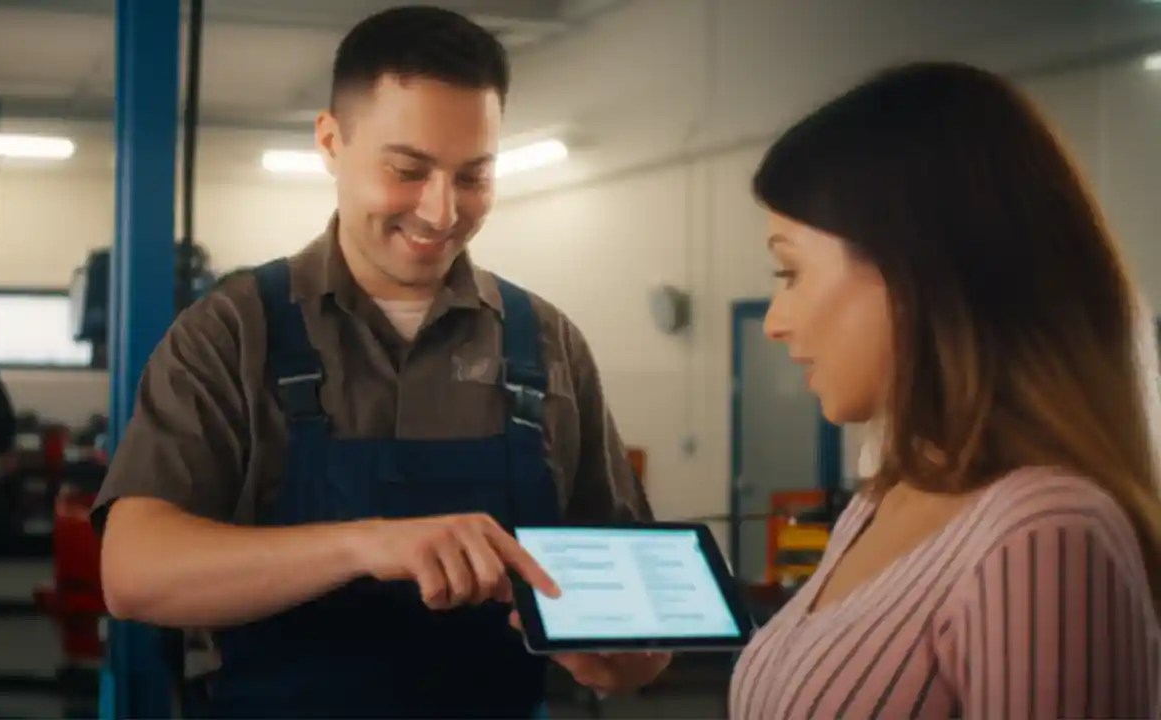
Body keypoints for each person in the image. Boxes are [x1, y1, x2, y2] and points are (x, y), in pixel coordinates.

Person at [94, 5, 669, 717]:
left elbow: (632, 597)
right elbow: (133, 572)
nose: (440, 211)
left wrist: (629, 655)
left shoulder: (549, 344)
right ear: (332, 142)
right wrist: (365, 545)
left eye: (474, 177)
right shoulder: (231, 333)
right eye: (408, 170)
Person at [729, 61, 1161, 718]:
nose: (776, 323)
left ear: (917, 275)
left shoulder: (1046, 535)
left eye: (789, 271)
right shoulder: (882, 500)